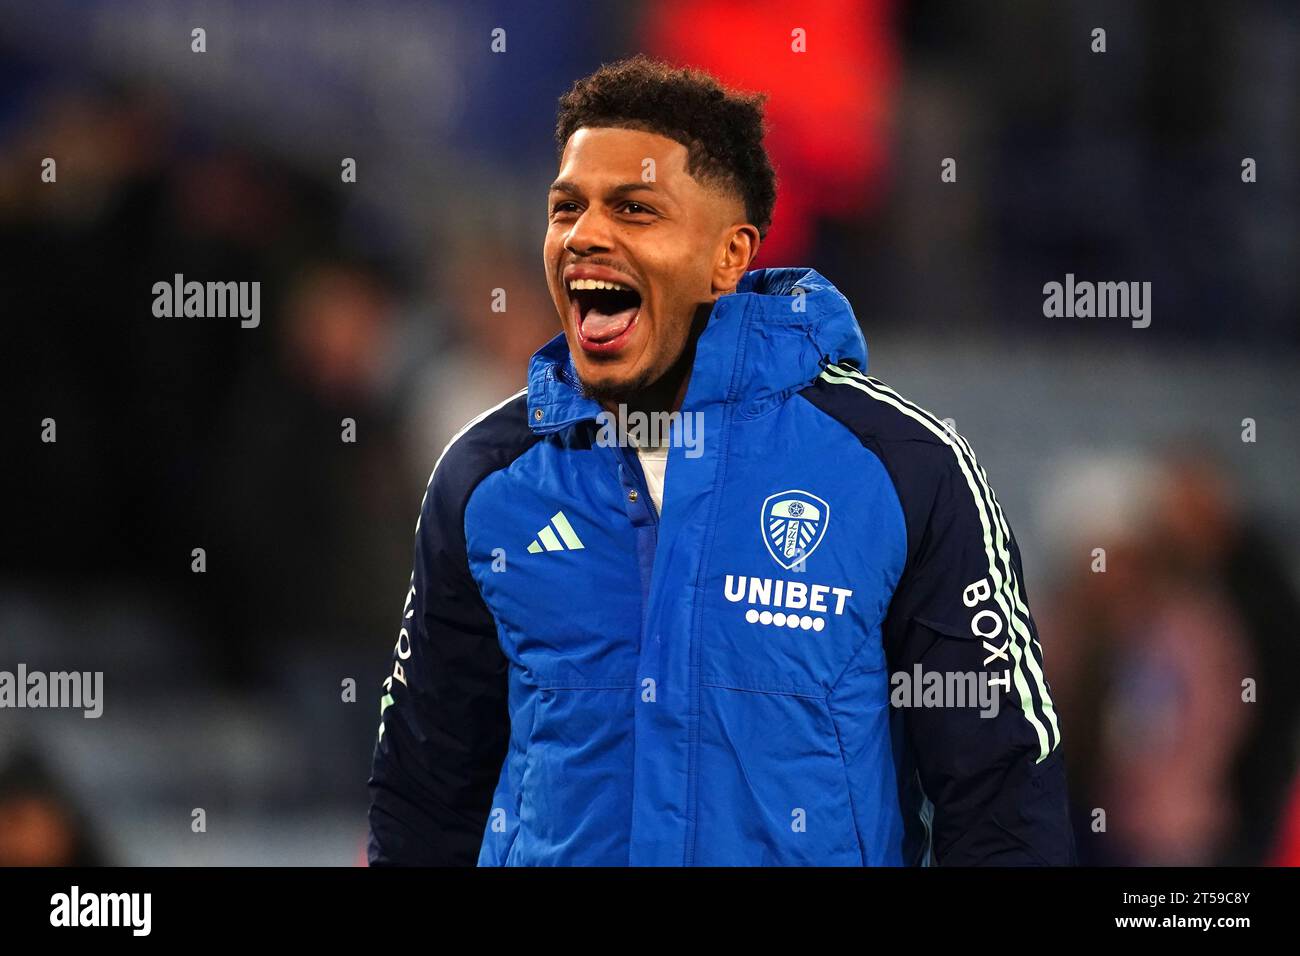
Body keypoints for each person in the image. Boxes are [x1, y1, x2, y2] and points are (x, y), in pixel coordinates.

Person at [367, 55, 1073, 866]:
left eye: (634, 210)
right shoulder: (486, 480)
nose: (584, 236)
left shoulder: (905, 471)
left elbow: (1003, 794)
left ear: (729, 256)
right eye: (567, 208)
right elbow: (424, 795)